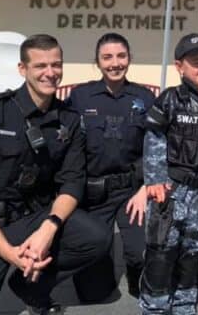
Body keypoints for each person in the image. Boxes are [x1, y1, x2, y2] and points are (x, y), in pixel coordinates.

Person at [0, 34, 110, 315]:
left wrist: (47, 230)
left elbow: (72, 183)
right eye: (40, 66)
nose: (50, 73)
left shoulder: (69, 120)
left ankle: (30, 288)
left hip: (34, 219)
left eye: (56, 64)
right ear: (22, 69)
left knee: (96, 237)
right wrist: (7, 252)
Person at [139, 32, 198, 315]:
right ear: (180, 66)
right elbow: (154, 138)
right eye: (197, 62)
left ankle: (184, 302)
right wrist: (155, 179)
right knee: (161, 250)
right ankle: (155, 306)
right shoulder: (170, 100)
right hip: (170, 190)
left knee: (192, 250)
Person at [67, 32, 155, 301]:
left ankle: (136, 272)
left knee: (142, 253)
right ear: (97, 62)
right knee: (93, 290)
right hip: (94, 194)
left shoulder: (144, 98)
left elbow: (156, 148)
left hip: (132, 192)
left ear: (129, 58)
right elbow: (67, 145)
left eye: (121, 56)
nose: (115, 63)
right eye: (107, 57)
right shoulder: (80, 97)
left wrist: (146, 188)